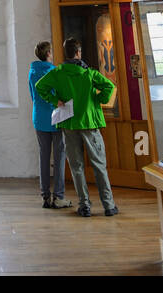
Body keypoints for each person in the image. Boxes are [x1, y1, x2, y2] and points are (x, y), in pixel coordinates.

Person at [35, 36, 119, 217]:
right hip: (90, 122)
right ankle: (108, 205)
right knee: (99, 165)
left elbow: (40, 86)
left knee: (76, 167)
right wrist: (97, 99)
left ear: (65, 54)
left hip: (70, 123)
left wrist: (55, 100)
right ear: (79, 53)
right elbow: (109, 87)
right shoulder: (89, 74)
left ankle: (85, 205)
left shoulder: (57, 73)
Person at [28, 41, 71, 209]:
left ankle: (45, 196)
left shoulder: (32, 72)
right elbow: (61, 95)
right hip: (56, 118)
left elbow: (33, 95)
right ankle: (58, 196)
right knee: (59, 157)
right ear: (48, 54)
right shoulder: (54, 72)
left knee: (44, 157)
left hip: (39, 117)